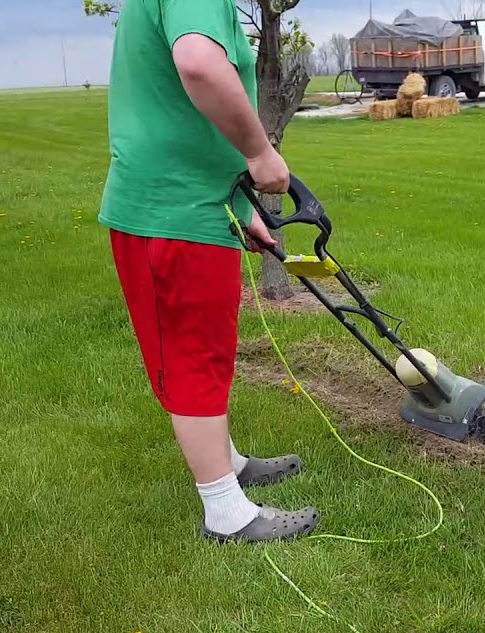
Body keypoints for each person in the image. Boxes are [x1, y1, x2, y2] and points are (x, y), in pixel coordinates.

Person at [98, 0, 320, 543]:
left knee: (206, 349)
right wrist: (260, 150)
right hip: (173, 212)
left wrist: (241, 215)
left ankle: (229, 462)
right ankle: (226, 511)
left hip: (183, 205)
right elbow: (198, 64)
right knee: (193, 355)